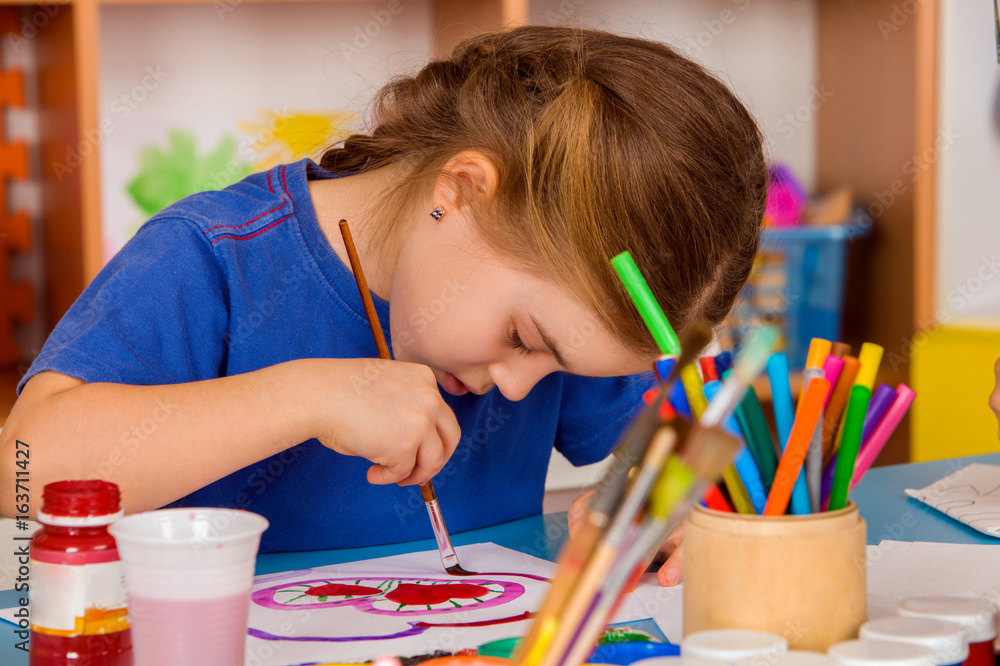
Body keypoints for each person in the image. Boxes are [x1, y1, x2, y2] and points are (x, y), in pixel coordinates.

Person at [0, 26, 766, 586]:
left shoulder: (565, 304)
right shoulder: (212, 255)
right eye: (523, 337)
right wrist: (304, 395)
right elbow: (22, 471)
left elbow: (674, 438)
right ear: (461, 190)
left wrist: (663, 505)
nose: (519, 384)